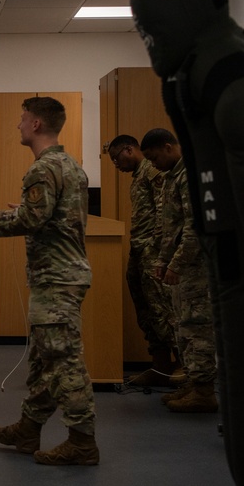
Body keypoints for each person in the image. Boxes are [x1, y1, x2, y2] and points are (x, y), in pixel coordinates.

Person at [132, 0, 244, 486]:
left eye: (150, 29)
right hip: (228, 252)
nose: (148, 42)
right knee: (236, 386)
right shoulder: (198, 68)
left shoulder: (230, 69)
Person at [0, 96, 99, 465]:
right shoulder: (71, 166)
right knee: (43, 360)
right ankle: (28, 428)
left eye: (22, 120)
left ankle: (82, 443)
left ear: (36, 125)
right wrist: (23, 211)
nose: (18, 125)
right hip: (65, 275)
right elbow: (56, 217)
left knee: (64, 361)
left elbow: (34, 222)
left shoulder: (42, 169)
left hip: (56, 278)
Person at [140, 129, 218, 413]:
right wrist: (162, 261)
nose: (153, 163)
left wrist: (176, 264)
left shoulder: (191, 176)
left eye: (154, 156)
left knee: (196, 326)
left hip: (195, 267)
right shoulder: (173, 176)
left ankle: (204, 389)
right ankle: (193, 382)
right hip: (181, 266)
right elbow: (169, 226)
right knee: (182, 326)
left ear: (169, 147)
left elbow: (195, 228)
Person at [107, 134, 180, 387]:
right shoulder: (138, 175)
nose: (117, 165)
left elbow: (165, 212)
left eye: (117, 159)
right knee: (146, 310)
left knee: (162, 309)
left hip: (153, 250)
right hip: (140, 249)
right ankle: (160, 366)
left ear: (129, 149)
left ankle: (185, 368)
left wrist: (161, 252)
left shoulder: (151, 171)